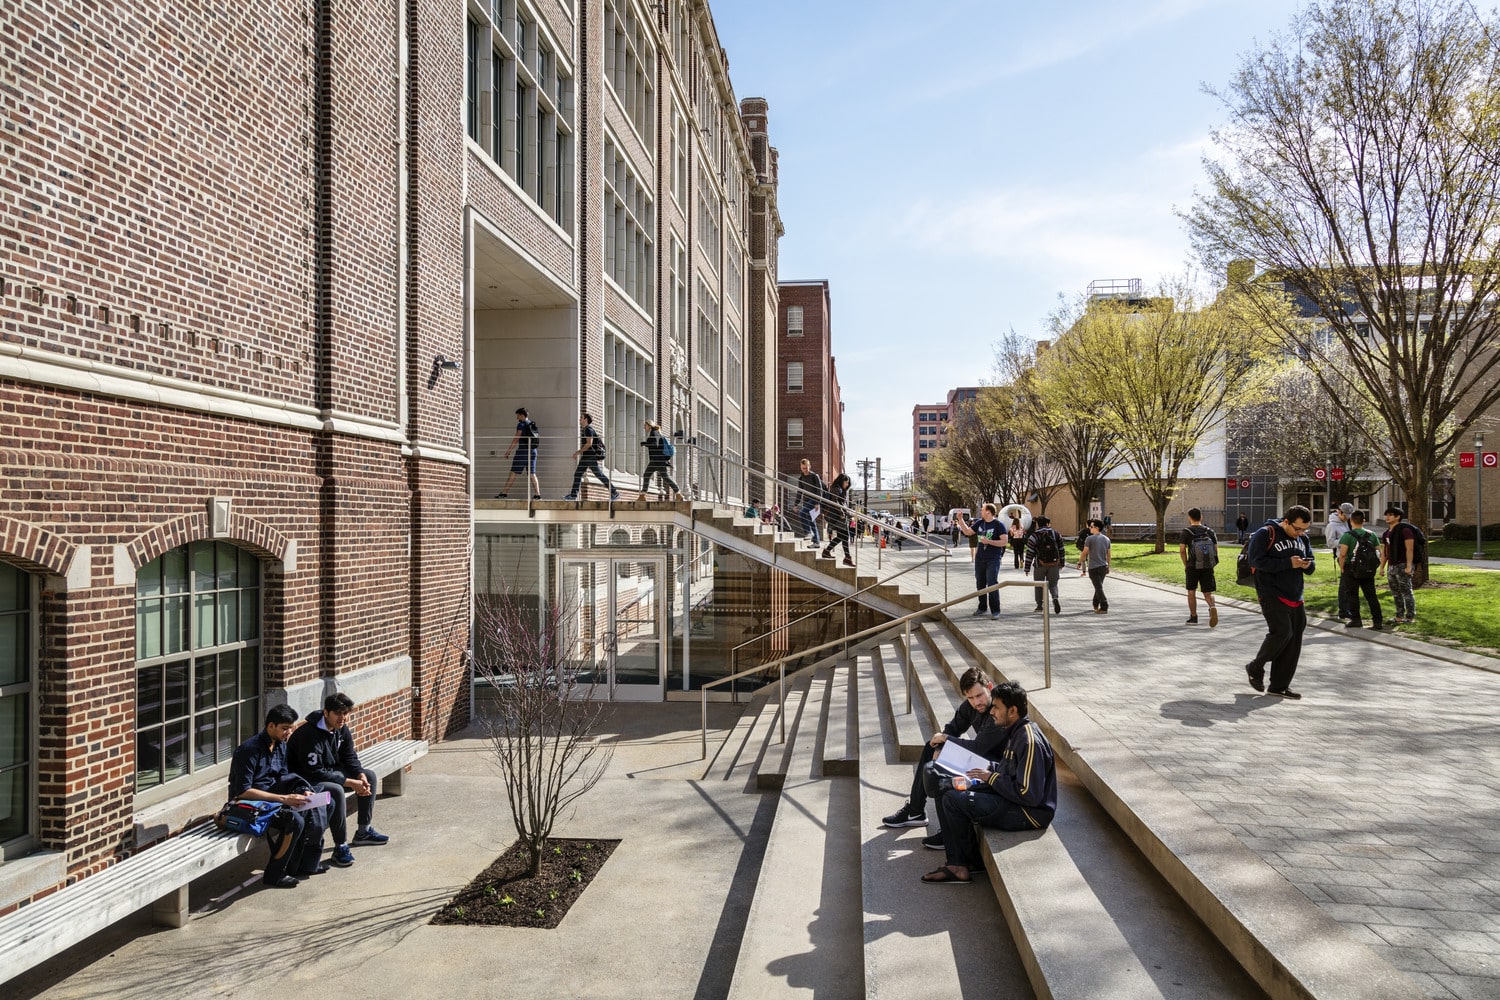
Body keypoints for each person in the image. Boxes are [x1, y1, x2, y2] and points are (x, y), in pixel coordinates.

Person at [920, 681, 1057, 885]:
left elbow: (1029, 794)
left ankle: (960, 866)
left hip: (1029, 813)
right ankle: (967, 860)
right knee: (947, 785)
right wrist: (988, 769)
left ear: (1012, 711)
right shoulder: (1015, 730)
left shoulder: (1029, 740)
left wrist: (990, 778)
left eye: (997, 707)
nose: (992, 711)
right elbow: (1010, 769)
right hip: (1012, 797)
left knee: (953, 798)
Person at [880, 668, 1000, 831]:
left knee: (940, 770)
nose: (976, 702)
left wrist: (945, 739)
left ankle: (947, 833)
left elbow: (978, 747)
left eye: (979, 695)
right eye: (970, 697)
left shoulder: (999, 710)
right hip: (979, 758)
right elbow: (952, 729)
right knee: (931, 748)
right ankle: (916, 811)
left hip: (996, 767)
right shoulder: (970, 706)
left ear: (990, 687)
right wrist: (940, 747)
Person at [228, 704, 332, 887]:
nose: (288, 732)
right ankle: (274, 874)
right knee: (294, 820)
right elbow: (242, 792)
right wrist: (284, 799)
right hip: (248, 805)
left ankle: (301, 865)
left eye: (290, 728)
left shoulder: (281, 745)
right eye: (285, 728)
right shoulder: (248, 750)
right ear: (271, 726)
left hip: (274, 799)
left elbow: (284, 777)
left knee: (318, 804)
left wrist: (300, 791)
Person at [289, 693, 391, 868]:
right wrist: (350, 783)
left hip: (329, 772)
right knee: (335, 790)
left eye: (345, 713)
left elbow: (349, 756)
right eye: (337, 713)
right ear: (326, 712)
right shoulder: (309, 734)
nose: (342, 717)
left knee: (370, 777)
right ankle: (340, 846)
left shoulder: (341, 728)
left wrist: (359, 775)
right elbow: (315, 772)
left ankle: (363, 832)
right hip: (305, 780)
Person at [1244, 504, 1315, 700]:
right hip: (1270, 592)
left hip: (1295, 594)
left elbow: (1312, 566)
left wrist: (1307, 565)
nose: (1300, 533)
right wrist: (1288, 563)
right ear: (1286, 522)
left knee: (1293, 640)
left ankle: (1279, 686)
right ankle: (1255, 666)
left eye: (1304, 529)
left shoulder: (1303, 539)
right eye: (1297, 528)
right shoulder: (1265, 533)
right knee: (1282, 632)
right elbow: (1256, 561)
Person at [956, 504, 1007, 619]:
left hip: (993, 558)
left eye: (982, 510)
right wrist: (960, 520)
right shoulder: (980, 523)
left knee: (992, 582)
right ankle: (982, 607)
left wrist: (989, 542)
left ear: (988, 512)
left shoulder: (998, 525)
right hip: (980, 558)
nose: (981, 512)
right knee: (980, 583)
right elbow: (967, 532)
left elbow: (1004, 541)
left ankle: (995, 610)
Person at [1338, 510, 1384, 630]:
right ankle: (1377, 621)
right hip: (1367, 569)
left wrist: (1342, 567)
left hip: (1351, 568)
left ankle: (1356, 619)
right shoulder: (1372, 535)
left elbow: (1342, 554)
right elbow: (1378, 552)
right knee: (1371, 595)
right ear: (1364, 521)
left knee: (1352, 595)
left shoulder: (1347, 535)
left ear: (1351, 521)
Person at [563, 413, 619, 501]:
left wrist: (578, 452)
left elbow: (589, 443)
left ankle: (614, 492)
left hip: (590, 456)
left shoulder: (588, 430)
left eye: (581, 418)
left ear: (586, 420)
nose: (579, 419)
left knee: (599, 474)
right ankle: (573, 496)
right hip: (586, 457)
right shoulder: (585, 429)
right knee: (578, 474)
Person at [1179, 507, 1220, 627]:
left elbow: (1182, 550)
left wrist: (1186, 564)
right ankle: (1212, 607)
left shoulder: (1186, 532)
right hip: (1207, 566)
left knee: (1191, 591)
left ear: (1189, 518)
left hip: (1193, 566)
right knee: (1207, 592)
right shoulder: (1210, 531)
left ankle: (1193, 617)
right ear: (1201, 517)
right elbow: (1215, 550)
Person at [1380, 505, 1419, 625]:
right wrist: (1382, 567)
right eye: (1386, 515)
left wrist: (1409, 566)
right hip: (1391, 566)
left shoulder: (1405, 530)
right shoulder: (1386, 533)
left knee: (1406, 591)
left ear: (1398, 517)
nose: (1387, 517)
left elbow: (1410, 549)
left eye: (1390, 515)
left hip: (1403, 564)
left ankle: (1410, 617)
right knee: (1395, 592)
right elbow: (1385, 551)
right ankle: (1399, 616)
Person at [495, 407, 541, 500]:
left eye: (518, 416)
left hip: (523, 451)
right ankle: (537, 494)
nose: (517, 418)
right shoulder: (532, 424)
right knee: (532, 473)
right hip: (533, 451)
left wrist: (509, 451)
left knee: (513, 472)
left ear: (522, 415)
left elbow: (516, 438)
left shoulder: (521, 424)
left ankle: (504, 493)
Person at [1025, 515, 1064, 615]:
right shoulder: (1056, 534)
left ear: (1038, 524)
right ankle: (1055, 598)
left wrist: (1027, 567)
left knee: (1039, 585)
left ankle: (1039, 605)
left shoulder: (1034, 536)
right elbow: (1061, 549)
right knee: (1053, 584)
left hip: (1040, 565)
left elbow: (1030, 552)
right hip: (1054, 564)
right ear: (1048, 523)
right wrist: (1062, 563)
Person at [638, 421, 682, 500]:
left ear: (649, 426)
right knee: (664, 477)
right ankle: (678, 493)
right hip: (658, 460)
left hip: (657, 460)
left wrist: (644, 443)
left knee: (648, 475)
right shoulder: (656, 433)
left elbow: (654, 445)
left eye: (645, 425)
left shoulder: (654, 433)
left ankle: (643, 495)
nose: (644, 427)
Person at [820, 473, 856, 566]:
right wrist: (842, 513)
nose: (847, 484)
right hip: (838, 517)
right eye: (846, 482)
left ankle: (827, 551)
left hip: (840, 516)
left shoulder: (841, 489)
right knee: (845, 536)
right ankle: (847, 558)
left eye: (848, 483)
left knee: (842, 537)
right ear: (841, 481)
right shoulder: (836, 488)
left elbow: (842, 504)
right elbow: (835, 502)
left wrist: (848, 514)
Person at [1327, 503, 1355, 619]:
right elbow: (1330, 543)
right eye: (1345, 515)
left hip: (1352, 556)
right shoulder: (1332, 525)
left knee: (1350, 584)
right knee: (1344, 584)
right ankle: (1343, 610)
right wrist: (1345, 541)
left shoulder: (1347, 523)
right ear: (1339, 512)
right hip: (1342, 556)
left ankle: (1349, 609)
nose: (1347, 518)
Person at [1078, 518, 1111, 614]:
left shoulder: (1089, 539)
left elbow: (1085, 552)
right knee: (1098, 586)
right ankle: (1095, 603)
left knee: (1098, 587)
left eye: (1091, 526)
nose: (1090, 528)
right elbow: (1109, 555)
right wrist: (1108, 566)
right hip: (1103, 566)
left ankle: (1104, 606)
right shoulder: (1107, 539)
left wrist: (1080, 562)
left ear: (1097, 528)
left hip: (1093, 567)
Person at [793, 459, 824, 548]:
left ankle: (808, 532)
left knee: (802, 513)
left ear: (809, 466)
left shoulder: (815, 476)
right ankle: (816, 542)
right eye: (803, 468)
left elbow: (819, 489)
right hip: (806, 501)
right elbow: (799, 492)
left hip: (814, 500)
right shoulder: (801, 478)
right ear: (801, 467)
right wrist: (795, 504)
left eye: (806, 468)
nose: (805, 470)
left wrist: (818, 502)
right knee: (811, 521)